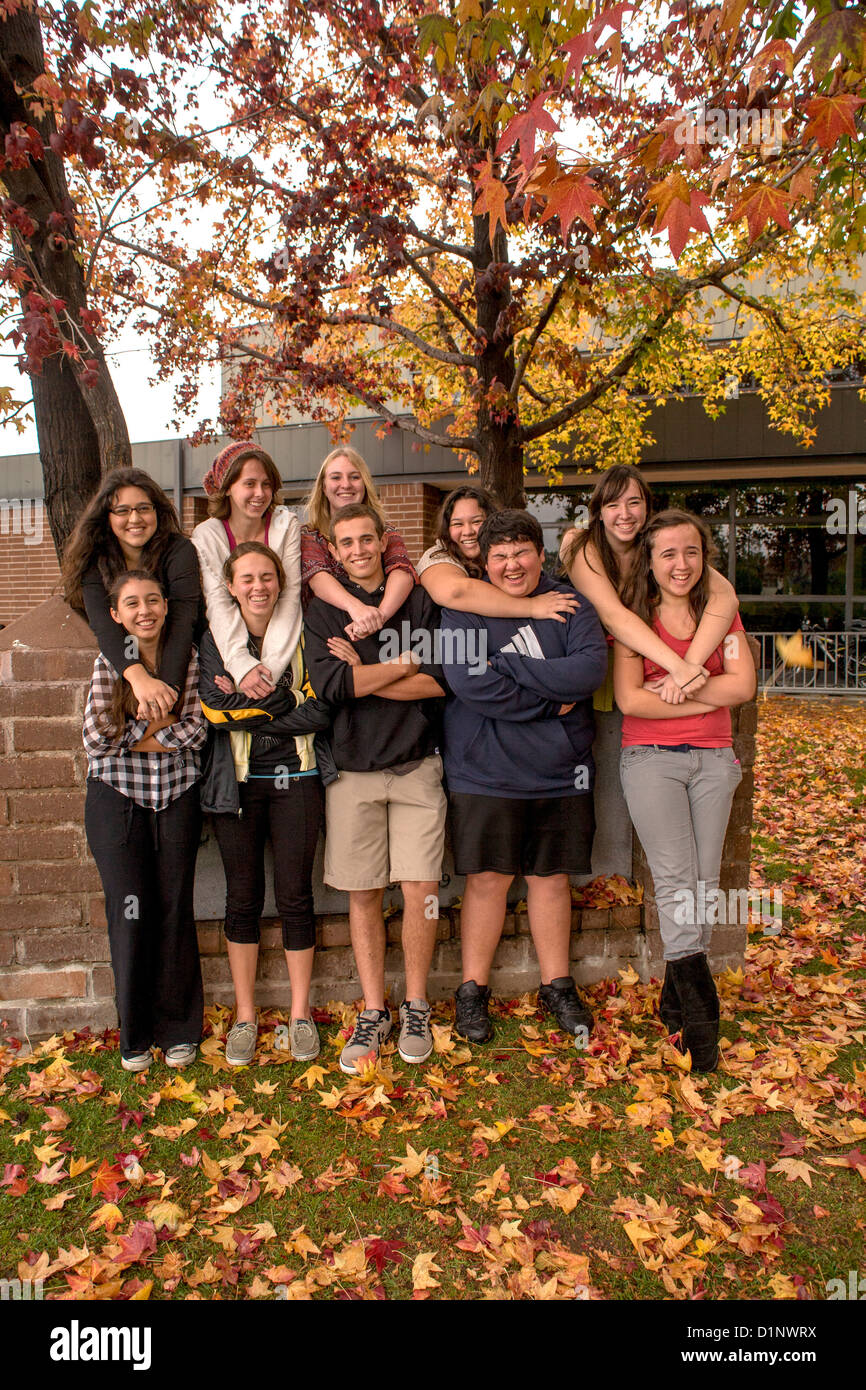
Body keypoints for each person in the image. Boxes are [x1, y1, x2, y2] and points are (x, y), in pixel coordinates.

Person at [438, 509, 609, 1044]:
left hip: (559, 770)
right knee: (487, 880)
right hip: (483, 770)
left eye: (522, 552)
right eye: (500, 556)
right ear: (483, 562)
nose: (512, 565)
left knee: (551, 879)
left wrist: (507, 665)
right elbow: (468, 683)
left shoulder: (570, 604)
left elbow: (587, 671)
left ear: (541, 552)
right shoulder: (460, 608)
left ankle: (557, 985)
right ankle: (472, 991)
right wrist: (548, 701)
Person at [304, 503, 448, 1073]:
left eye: (368, 539)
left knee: (421, 891)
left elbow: (439, 682)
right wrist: (401, 666)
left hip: (417, 766)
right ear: (334, 552)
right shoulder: (322, 610)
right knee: (362, 892)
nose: (359, 550)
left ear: (383, 542)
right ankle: (372, 1010)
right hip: (352, 773)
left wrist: (365, 675)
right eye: (347, 542)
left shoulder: (417, 601)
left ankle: (415, 1005)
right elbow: (331, 688)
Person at [614, 509, 756, 1072]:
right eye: (668, 553)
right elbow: (631, 701)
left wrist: (675, 686)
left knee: (701, 882)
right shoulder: (634, 620)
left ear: (705, 557)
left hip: (716, 762)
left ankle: (673, 1006)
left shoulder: (722, 617)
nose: (681, 564)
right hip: (651, 762)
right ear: (650, 560)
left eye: (691, 552)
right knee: (676, 882)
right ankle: (703, 1023)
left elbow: (742, 685)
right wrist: (704, 688)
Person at [198, 542, 333, 1067]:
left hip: (297, 779)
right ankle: (246, 1016)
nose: (258, 587)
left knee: (297, 896)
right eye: (247, 578)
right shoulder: (214, 637)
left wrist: (254, 704)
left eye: (268, 577)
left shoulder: (302, 632)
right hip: (236, 785)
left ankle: (300, 1015)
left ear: (282, 582)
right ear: (231, 587)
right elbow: (214, 710)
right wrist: (281, 702)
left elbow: (321, 709)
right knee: (243, 899)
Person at [82, 571, 206, 1072]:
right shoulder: (110, 663)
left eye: (153, 600)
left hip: (177, 797)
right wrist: (159, 728)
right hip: (118, 802)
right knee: (130, 911)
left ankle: (178, 1030)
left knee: (176, 908)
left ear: (166, 607)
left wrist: (133, 735)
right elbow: (96, 740)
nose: (144, 610)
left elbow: (196, 731)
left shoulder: (188, 660)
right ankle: (134, 1036)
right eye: (132, 603)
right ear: (116, 615)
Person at [561, 465, 739, 705]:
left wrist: (689, 667)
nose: (624, 514)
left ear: (647, 507)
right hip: (585, 664)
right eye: (613, 505)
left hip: (646, 667)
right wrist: (679, 668)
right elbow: (613, 616)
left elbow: (726, 596)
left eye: (634, 503)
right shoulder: (579, 542)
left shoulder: (657, 545)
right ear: (599, 512)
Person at [63, 467, 206, 721]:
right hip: (126, 661)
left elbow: (182, 620)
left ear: (157, 511)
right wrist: (139, 677)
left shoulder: (179, 550)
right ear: (107, 516)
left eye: (143, 508)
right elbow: (105, 624)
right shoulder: (93, 558)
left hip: (182, 660)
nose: (135, 518)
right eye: (123, 510)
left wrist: (168, 690)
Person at [191, 441, 301, 701]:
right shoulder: (208, 535)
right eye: (249, 484)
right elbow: (219, 602)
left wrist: (268, 671)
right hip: (228, 643)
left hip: (285, 641)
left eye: (266, 484)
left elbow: (290, 594)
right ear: (228, 487)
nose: (260, 493)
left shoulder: (286, 525)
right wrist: (241, 665)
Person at [418, 485, 579, 624]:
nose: (468, 532)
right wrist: (532, 606)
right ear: (447, 528)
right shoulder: (438, 555)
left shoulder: (508, 549)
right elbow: (455, 591)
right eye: (457, 524)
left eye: (476, 522)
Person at [302, 446, 417, 639]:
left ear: (365, 483)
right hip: (327, 634)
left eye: (355, 477)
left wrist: (376, 618)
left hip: (385, 629)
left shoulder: (385, 530)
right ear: (323, 486)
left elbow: (402, 572)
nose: (346, 484)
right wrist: (357, 610)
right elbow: (318, 579)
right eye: (336, 477)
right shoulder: (310, 535)